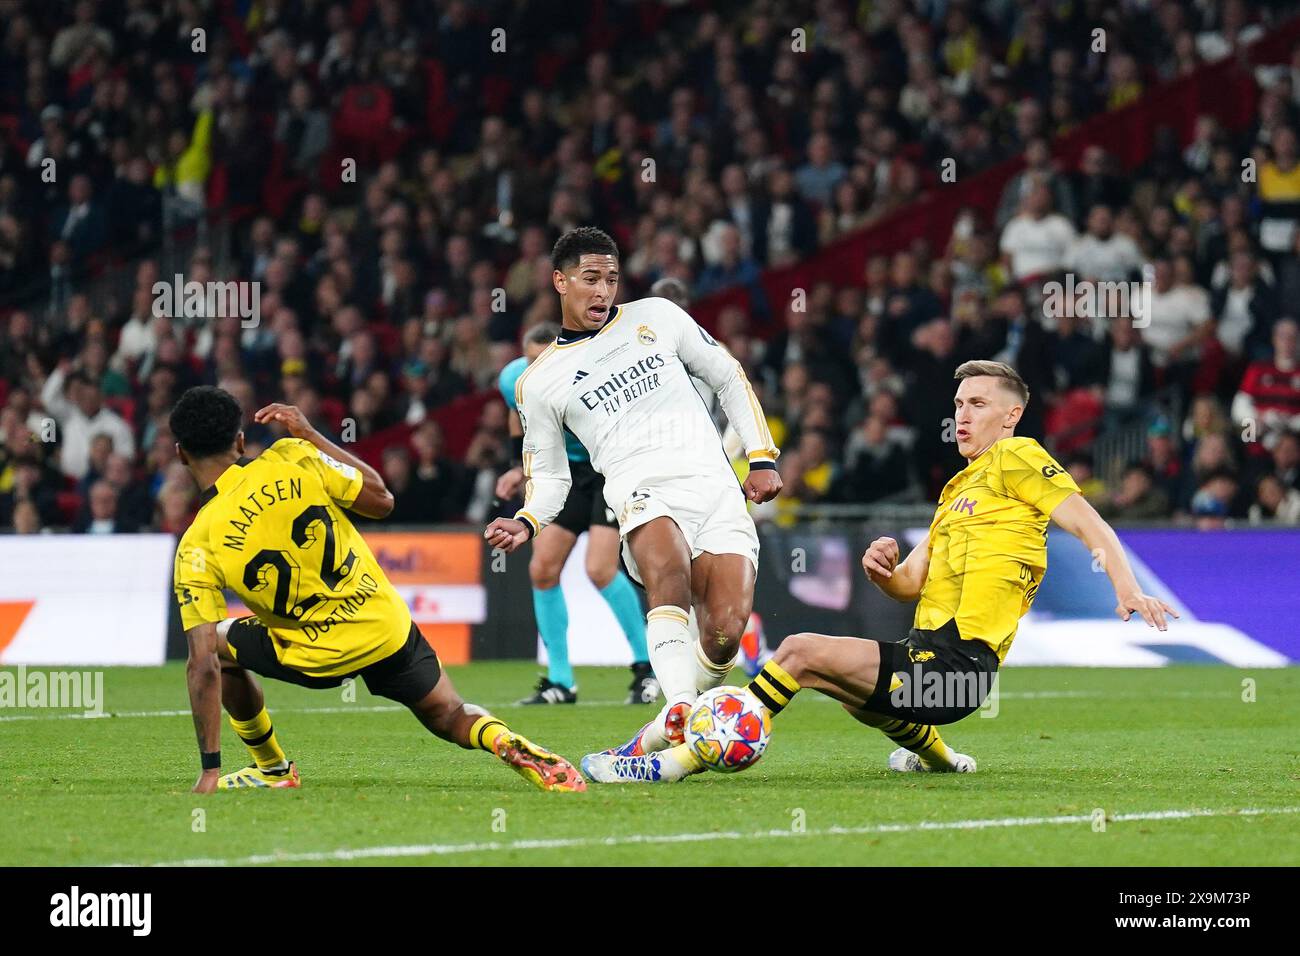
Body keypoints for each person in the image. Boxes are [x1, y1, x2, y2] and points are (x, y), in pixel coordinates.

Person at [583, 360, 1176, 783]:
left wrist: (1127, 588)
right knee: (849, 695)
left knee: (796, 652)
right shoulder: (957, 491)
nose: (962, 416)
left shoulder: (1017, 457)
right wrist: (881, 571)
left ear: (1011, 414)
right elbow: (911, 584)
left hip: (958, 667)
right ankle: (940, 758)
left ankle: (674, 761)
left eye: (977, 404)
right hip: (937, 667)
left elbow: (1091, 525)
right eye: (958, 405)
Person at [171, 386, 584, 794]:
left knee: (220, 648)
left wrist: (210, 770)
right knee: (450, 713)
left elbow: (201, 663)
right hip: (383, 624)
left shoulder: (197, 544)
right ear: (240, 440)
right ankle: (501, 739)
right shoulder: (293, 457)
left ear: (181, 454)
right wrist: (311, 434)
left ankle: (273, 768)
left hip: (315, 654)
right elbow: (382, 501)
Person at [484, 227, 782, 756]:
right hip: (641, 491)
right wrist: (526, 520)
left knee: (724, 634)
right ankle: (677, 708)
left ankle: (653, 738)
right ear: (559, 281)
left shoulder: (657, 317)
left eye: (612, 279)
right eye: (590, 279)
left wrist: (761, 457)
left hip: (714, 486)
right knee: (667, 574)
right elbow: (552, 475)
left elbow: (729, 376)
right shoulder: (540, 381)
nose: (603, 291)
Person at [495, 322, 657, 705]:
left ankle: (646, 669)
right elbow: (517, 420)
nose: (536, 369)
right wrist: (518, 467)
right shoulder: (513, 379)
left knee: (599, 569)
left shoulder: (597, 376)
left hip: (606, 471)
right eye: (530, 360)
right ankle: (560, 681)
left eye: (544, 359)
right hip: (564, 475)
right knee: (542, 569)